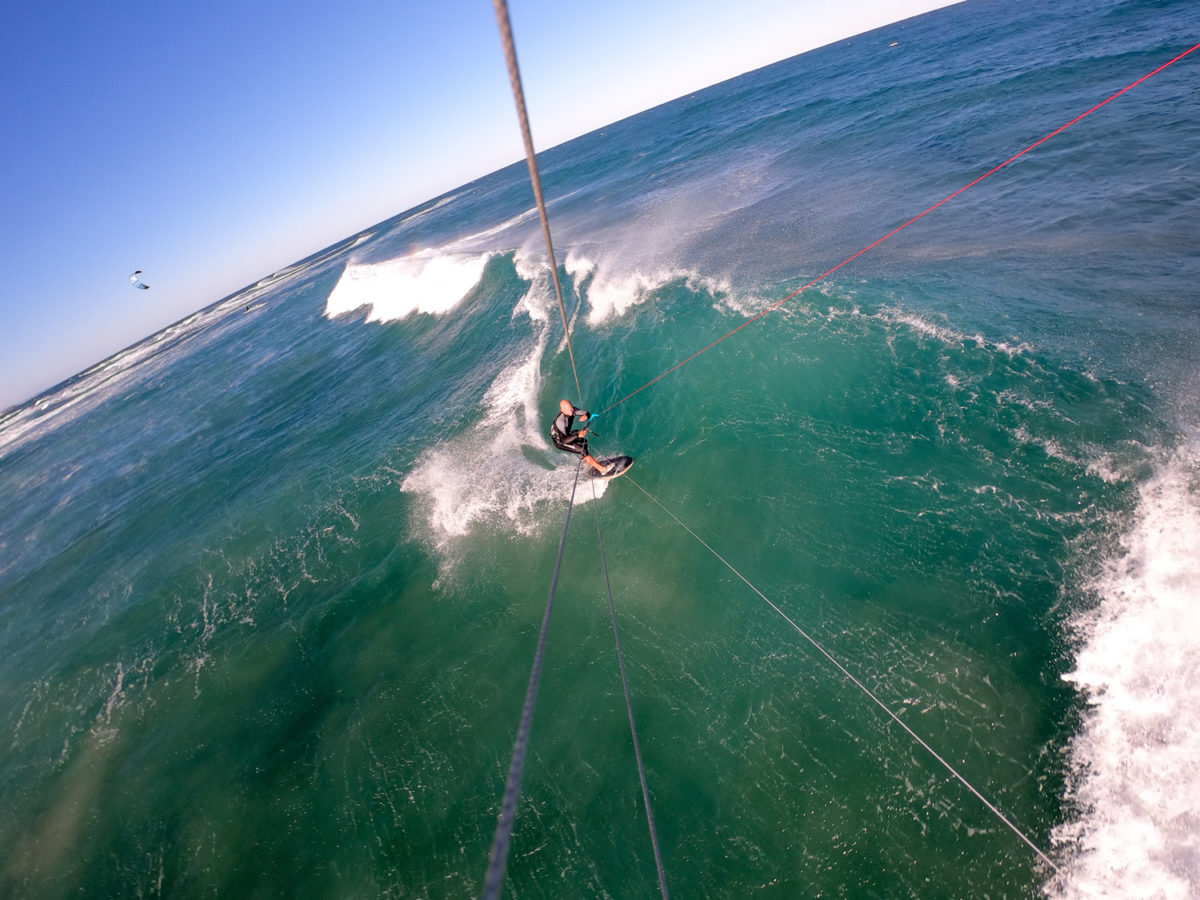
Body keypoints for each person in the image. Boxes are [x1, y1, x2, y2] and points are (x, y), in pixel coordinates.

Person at [550, 399, 613, 475]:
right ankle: (602, 470)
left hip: (567, 435)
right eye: (567, 410)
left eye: (571, 408)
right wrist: (577, 435)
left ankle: (586, 464)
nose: (570, 411)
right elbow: (563, 440)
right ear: (562, 410)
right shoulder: (560, 421)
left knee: (584, 442)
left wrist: (586, 416)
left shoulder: (573, 410)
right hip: (560, 441)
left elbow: (586, 413)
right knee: (582, 449)